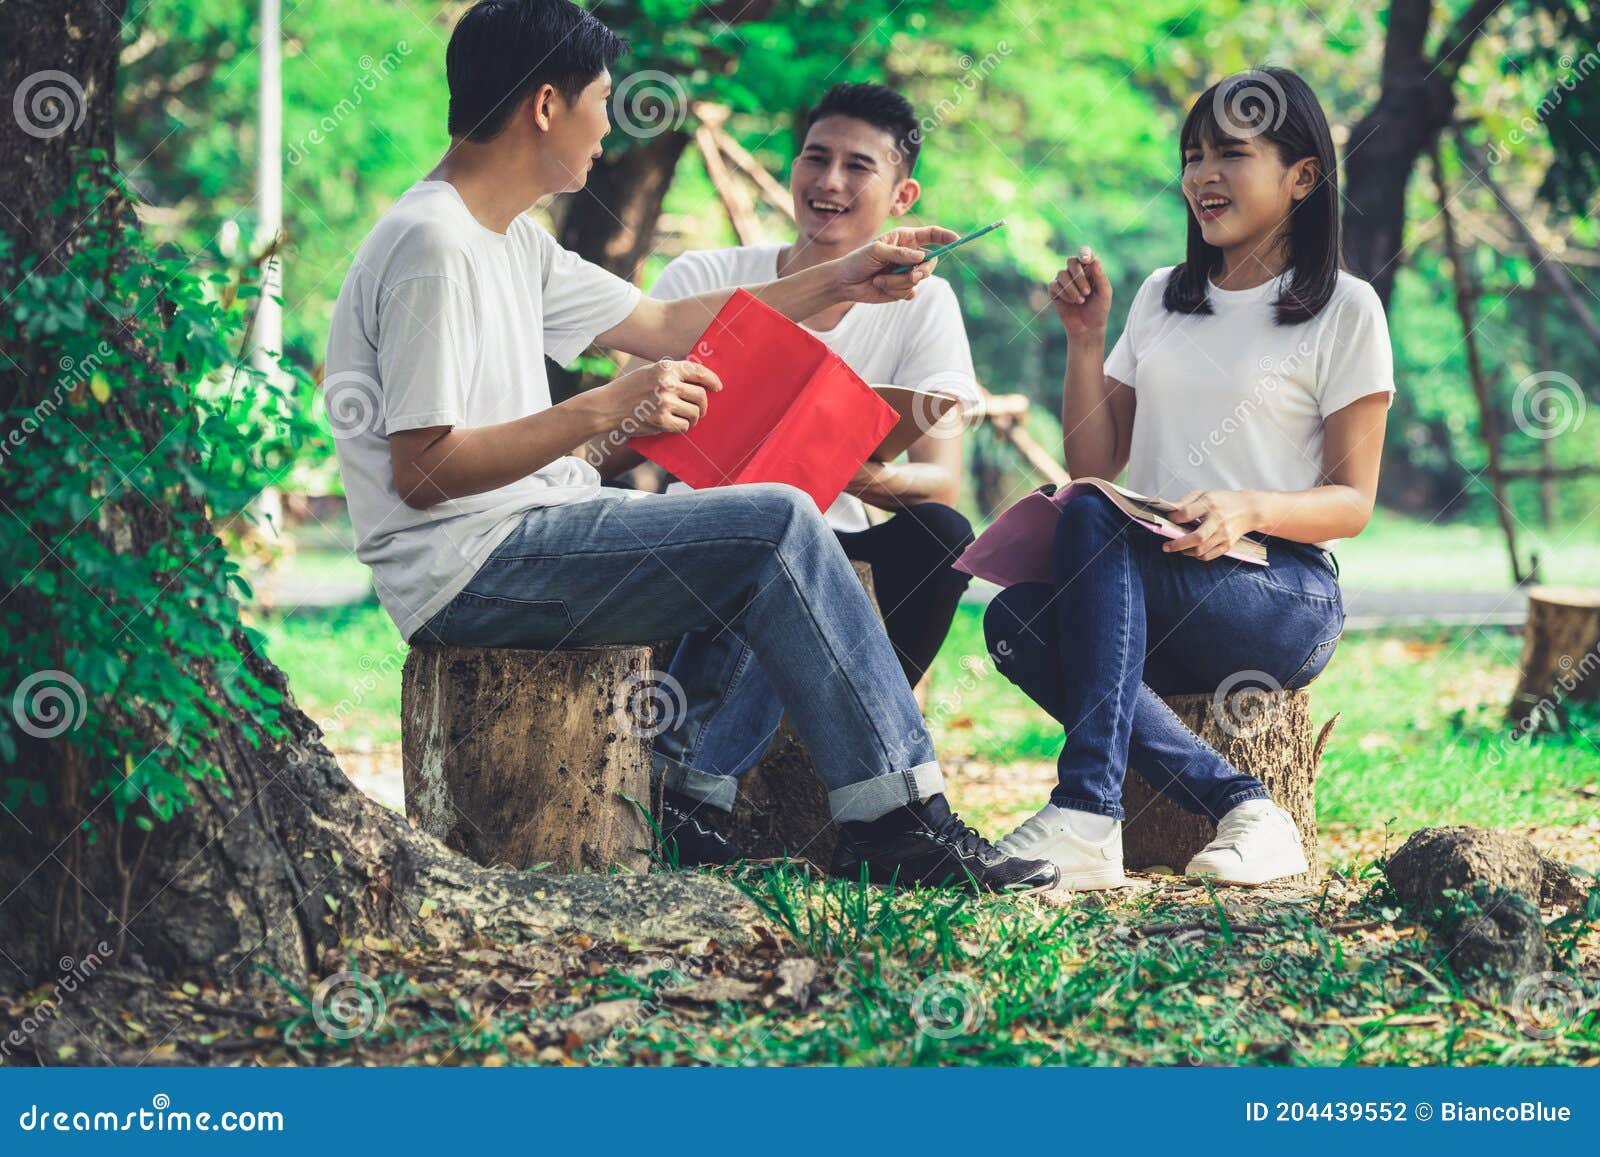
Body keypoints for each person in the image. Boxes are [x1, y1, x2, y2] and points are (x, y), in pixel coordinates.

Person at [323, 0, 1058, 893]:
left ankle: (687, 801)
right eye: (603, 101)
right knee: (777, 523)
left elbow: (669, 323)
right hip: (470, 569)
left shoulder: (508, 239)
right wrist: (604, 407)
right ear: (546, 106)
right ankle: (897, 823)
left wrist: (845, 277)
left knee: (755, 518)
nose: (609, 128)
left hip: (526, 530)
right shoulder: (433, 244)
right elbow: (425, 469)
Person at [983, 68, 1394, 889]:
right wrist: (1084, 340)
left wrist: (1247, 508)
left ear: (1302, 176)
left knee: (1093, 525)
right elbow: (1096, 465)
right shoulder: (1160, 297)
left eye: (1232, 154)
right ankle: (1247, 807)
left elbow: (1353, 503)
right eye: (1193, 155)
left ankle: (1087, 810)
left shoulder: (1345, 309)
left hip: (1280, 590)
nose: (1204, 174)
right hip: (1153, 579)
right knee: (1014, 618)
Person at [599, 83, 981, 865]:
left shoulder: (926, 301)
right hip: (708, 528)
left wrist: (857, 472)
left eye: (857, 166)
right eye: (815, 157)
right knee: (767, 522)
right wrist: (672, 413)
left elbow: (940, 481)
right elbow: (608, 443)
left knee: (942, 534)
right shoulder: (705, 275)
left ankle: (835, 737)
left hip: (840, 532)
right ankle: (694, 797)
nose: (829, 181)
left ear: (903, 195)